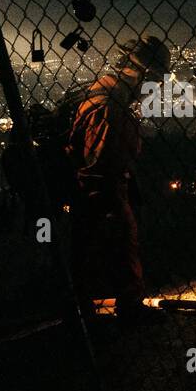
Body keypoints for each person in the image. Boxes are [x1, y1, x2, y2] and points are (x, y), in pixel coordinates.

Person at [67, 34, 170, 325]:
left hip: (96, 191)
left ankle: (84, 314)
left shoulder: (104, 95)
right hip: (104, 190)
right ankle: (127, 309)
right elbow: (99, 166)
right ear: (145, 73)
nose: (156, 88)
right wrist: (113, 202)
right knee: (121, 244)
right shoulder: (110, 107)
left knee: (90, 252)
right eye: (157, 80)